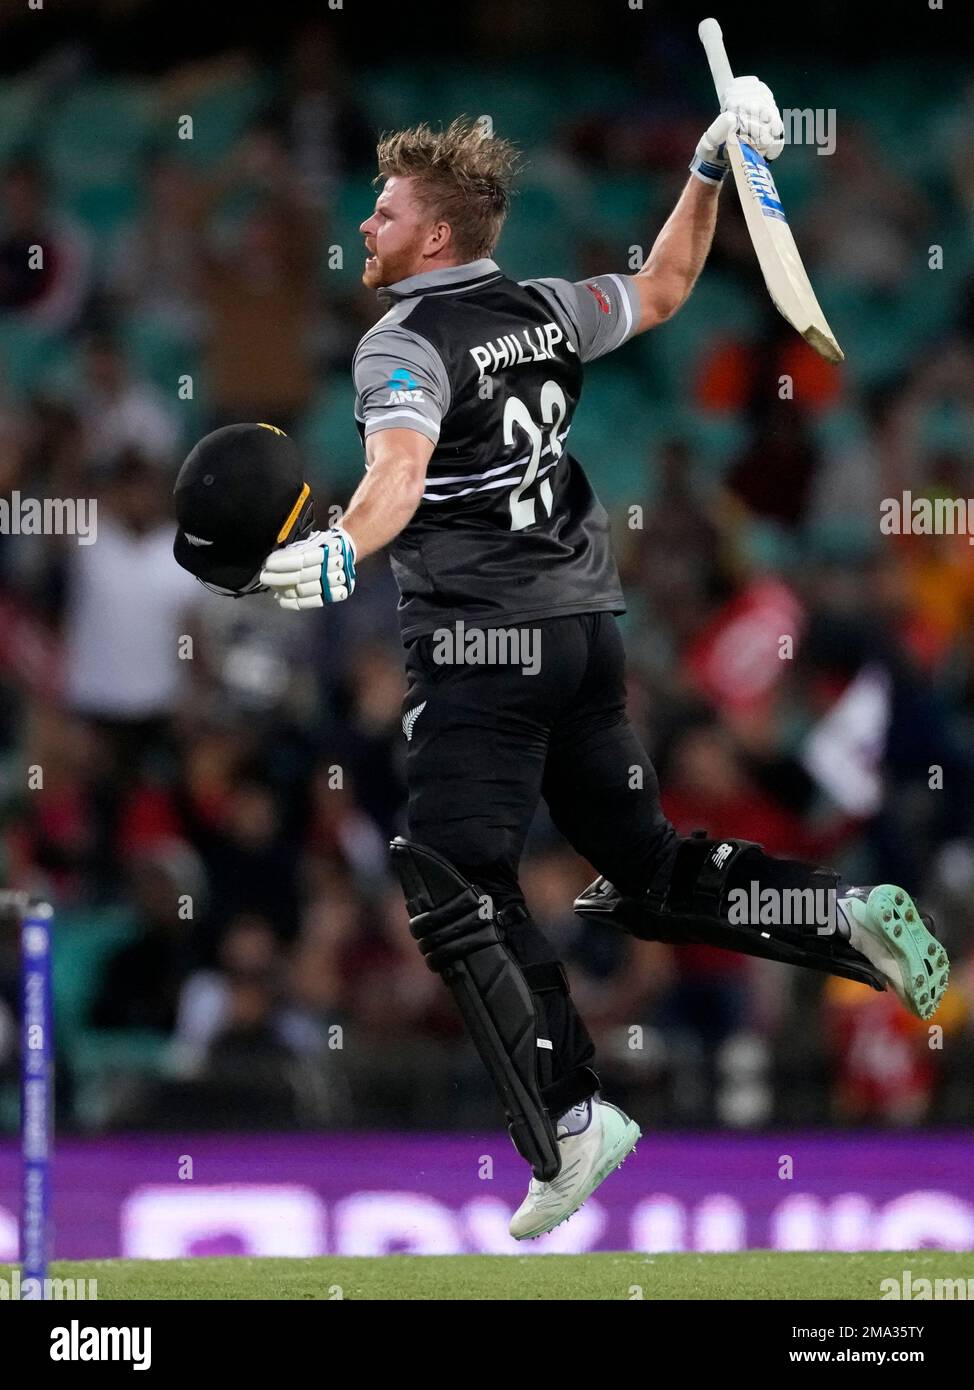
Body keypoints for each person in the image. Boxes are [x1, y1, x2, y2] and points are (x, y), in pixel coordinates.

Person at [174, 88, 950, 1240]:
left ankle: (568, 1114)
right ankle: (838, 920)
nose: (366, 228)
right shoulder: (543, 305)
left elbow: (395, 471)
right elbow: (666, 288)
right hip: (584, 633)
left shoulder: (400, 341)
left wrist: (340, 549)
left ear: (436, 234)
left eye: (382, 212)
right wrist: (703, 169)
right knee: (641, 864)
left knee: (448, 873)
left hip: (482, 646)